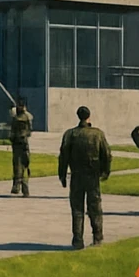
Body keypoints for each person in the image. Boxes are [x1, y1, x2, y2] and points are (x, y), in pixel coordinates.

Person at [57, 104, 111, 250]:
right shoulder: (97, 134)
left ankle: (78, 239)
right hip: (92, 176)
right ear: (89, 117)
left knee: (77, 208)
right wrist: (105, 171)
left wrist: (62, 174)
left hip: (77, 175)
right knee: (95, 206)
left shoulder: (70, 134)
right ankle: (97, 236)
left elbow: (63, 156)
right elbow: (106, 154)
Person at [9, 96, 34, 197]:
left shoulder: (20, 118)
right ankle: (21, 187)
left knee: (20, 165)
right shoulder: (25, 117)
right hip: (20, 143)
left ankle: (20, 187)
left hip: (20, 144)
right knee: (21, 165)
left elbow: (25, 131)